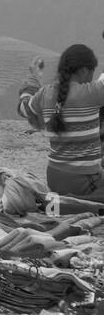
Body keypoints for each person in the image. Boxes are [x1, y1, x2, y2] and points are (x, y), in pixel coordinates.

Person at [18, 45, 104, 202]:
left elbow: (24, 108)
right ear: (84, 70)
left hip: (54, 178)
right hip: (85, 180)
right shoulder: (93, 92)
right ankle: (79, 201)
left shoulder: (44, 93)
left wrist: (34, 77)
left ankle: (66, 202)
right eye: (92, 72)